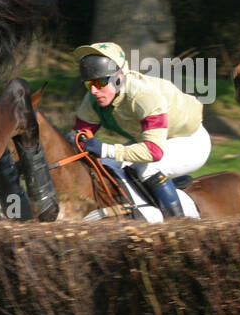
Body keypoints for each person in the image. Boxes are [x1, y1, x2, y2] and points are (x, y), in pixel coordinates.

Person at [71, 41, 210, 218]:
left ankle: (179, 227)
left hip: (190, 141)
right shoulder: (93, 98)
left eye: (99, 83)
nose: (94, 91)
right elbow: (79, 136)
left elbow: (153, 152)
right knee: (106, 165)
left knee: (147, 168)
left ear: (119, 78)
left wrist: (106, 149)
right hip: (153, 141)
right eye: (89, 84)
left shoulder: (144, 95)